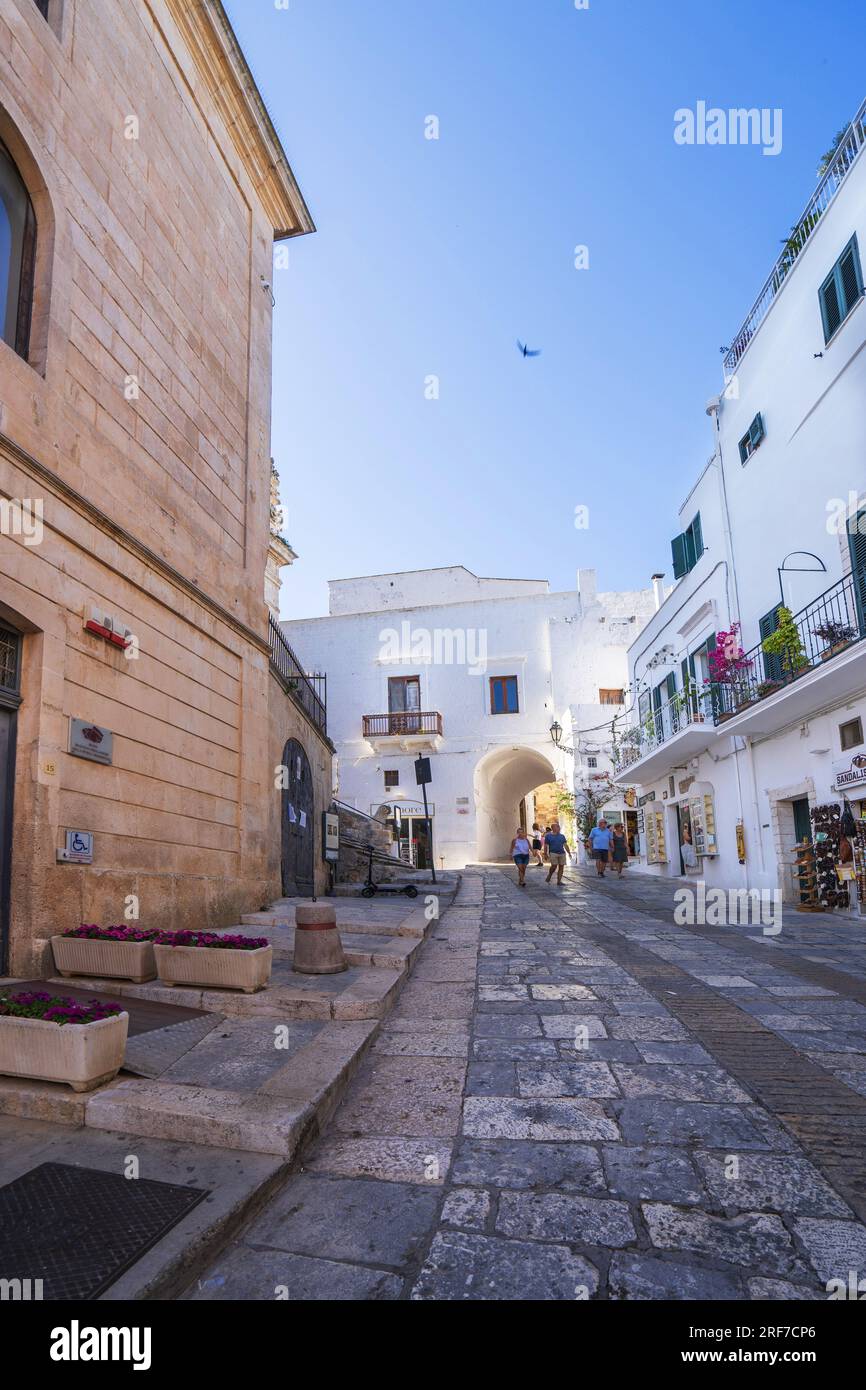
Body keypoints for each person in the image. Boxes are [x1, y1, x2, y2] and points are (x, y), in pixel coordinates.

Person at [544, 821, 571, 885]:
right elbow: (546, 845)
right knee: (554, 866)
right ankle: (550, 874)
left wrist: (569, 852)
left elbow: (565, 845)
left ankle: (559, 881)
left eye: (559, 827)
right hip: (553, 853)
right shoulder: (548, 836)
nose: (559, 828)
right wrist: (545, 854)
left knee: (561, 867)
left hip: (562, 853)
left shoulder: (562, 836)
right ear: (553, 828)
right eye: (558, 827)